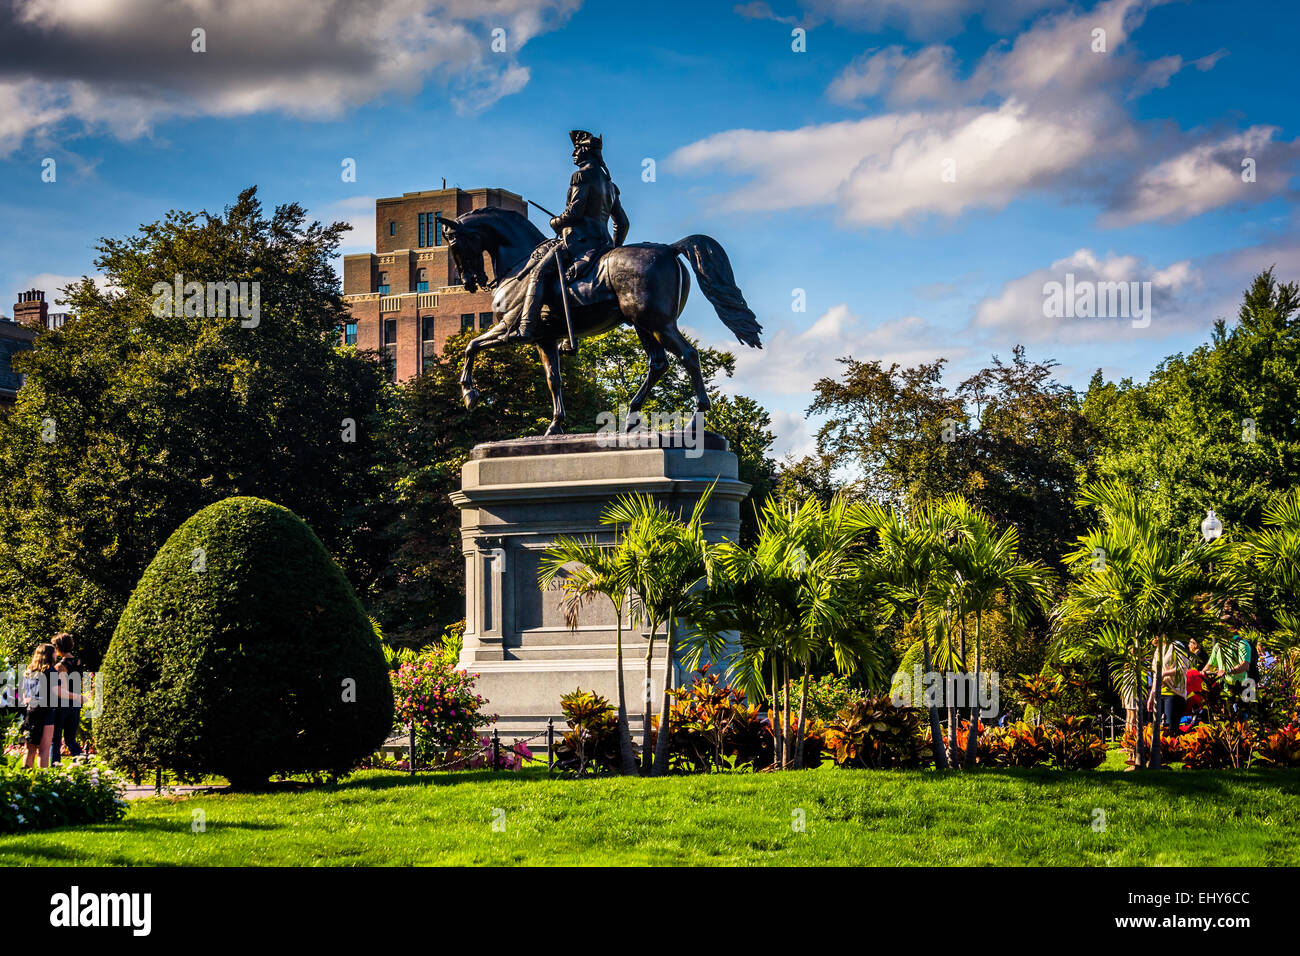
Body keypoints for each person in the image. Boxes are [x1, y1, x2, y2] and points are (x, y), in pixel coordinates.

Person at [513, 129, 629, 344]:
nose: (573, 154)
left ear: (587, 152)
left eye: (577, 150)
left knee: (538, 273)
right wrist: (614, 248)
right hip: (602, 245)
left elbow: (574, 212)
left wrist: (555, 222)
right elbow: (622, 223)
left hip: (578, 244)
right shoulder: (611, 186)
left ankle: (526, 327)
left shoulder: (580, 176)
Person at [20, 644, 57, 769]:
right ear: (49, 655)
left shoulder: (29, 672)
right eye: (54, 652)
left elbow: (24, 695)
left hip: (30, 712)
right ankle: (42, 781)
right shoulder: (51, 671)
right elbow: (56, 692)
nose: (56, 655)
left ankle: (25, 778)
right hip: (46, 712)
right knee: (44, 751)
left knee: (30, 749)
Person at [50, 632, 84, 763]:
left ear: (58, 647)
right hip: (76, 703)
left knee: (56, 738)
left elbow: (61, 689)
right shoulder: (78, 661)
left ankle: (55, 768)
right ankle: (81, 764)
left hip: (63, 703)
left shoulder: (60, 666)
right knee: (70, 739)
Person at [1145, 637, 1187, 741]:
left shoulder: (1176, 645)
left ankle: (1176, 753)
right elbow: (1155, 674)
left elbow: (1183, 667)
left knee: (1171, 729)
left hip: (1174, 692)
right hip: (1159, 692)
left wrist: (1164, 674)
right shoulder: (1158, 649)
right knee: (1158, 729)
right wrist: (1151, 695)